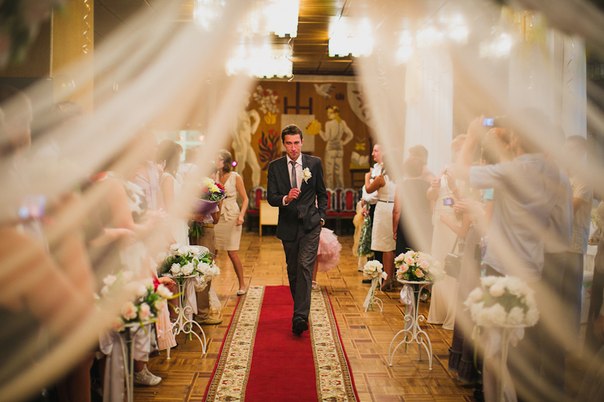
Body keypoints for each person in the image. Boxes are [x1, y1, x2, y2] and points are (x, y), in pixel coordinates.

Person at [267, 124, 327, 336]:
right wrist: (286, 198)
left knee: (304, 266)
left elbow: (322, 193)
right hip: (288, 226)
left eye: (296, 143)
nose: (293, 148)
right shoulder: (275, 167)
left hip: (311, 225)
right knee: (293, 271)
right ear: (284, 145)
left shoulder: (314, 163)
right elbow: (271, 197)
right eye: (289, 143)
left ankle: (300, 316)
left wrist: (321, 217)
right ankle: (300, 310)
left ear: (302, 142)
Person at [213, 149, 249, 295]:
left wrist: (241, 215)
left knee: (232, 252)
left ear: (226, 162)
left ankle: (242, 284)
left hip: (232, 216)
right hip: (217, 215)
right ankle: (207, 287)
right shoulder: (214, 176)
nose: (216, 161)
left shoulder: (235, 177)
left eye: (219, 159)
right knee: (212, 251)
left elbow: (245, 199)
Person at [364, 144, 396, 290]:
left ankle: (387, 278)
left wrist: (367, 178)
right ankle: (390, 276)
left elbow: (368, 189)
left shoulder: (382, 178)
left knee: (385, 245)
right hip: (394, 207)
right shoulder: (398, 179)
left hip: (383, 209)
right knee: (391, 244)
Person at [319, 106, 354, 189]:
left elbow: (326, 138)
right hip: (339, 149)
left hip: (330, 149)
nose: (328, 114)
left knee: (329, 173)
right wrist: (343, 142)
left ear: (336, 113)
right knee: (339, 172)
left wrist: (319, 130)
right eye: (328, 112)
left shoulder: (328, 124)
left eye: (330, 112)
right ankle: (340, 192)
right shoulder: (342, 123)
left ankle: (330, 193)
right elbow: (350, 135)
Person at [232, 100, 261, 187]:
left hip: (247, 144)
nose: (247, 102)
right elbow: (233, 129)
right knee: (240, 169)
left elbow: (252, 131)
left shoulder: (247, 114)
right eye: (245, 99)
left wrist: (257, 120)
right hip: (241, 143)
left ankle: (256, 190)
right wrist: (238, 142)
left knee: (256, 168)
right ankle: (238, 191)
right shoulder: (236, 114)